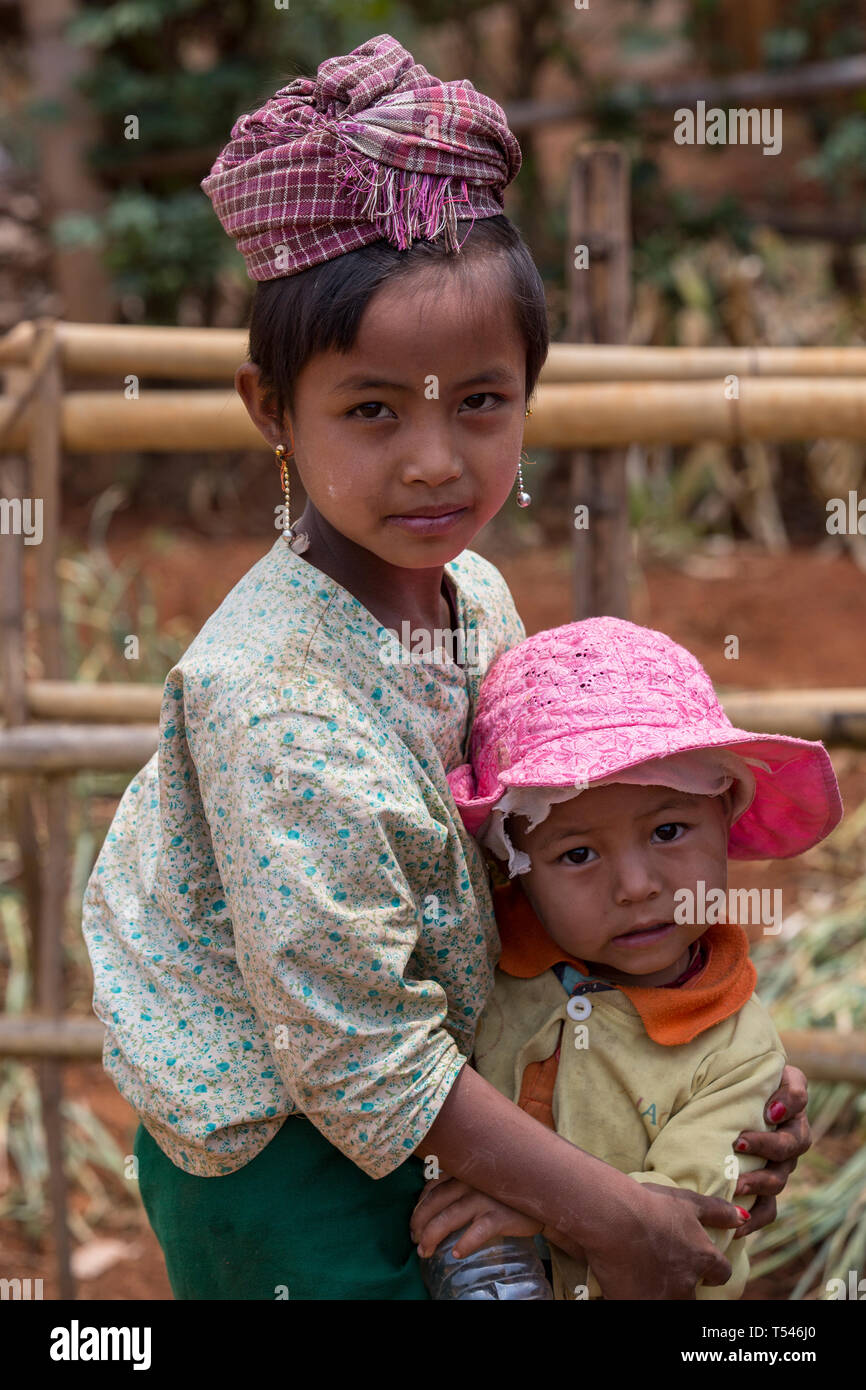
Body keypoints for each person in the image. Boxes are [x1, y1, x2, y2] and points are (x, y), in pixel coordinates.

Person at [81, 34, 812, 1301]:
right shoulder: (274, 698)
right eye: (372, 410)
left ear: (528, 392)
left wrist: (715, 1066)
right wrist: (615, 1218)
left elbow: (540, 852)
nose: (433, 459)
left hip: (448, 1095)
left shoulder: (473, 599)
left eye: (478, 401)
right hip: (282, 1159)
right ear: (272, 408)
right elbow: (357, 1058)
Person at [411, 616, 842, 1299]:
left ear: (726, 820)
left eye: (669, 831)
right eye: (577, 854)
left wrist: (544, 1206)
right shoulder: (481, 972)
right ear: (512, 866)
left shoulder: (738, 1053)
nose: (637, 886)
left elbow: (696, 1225)